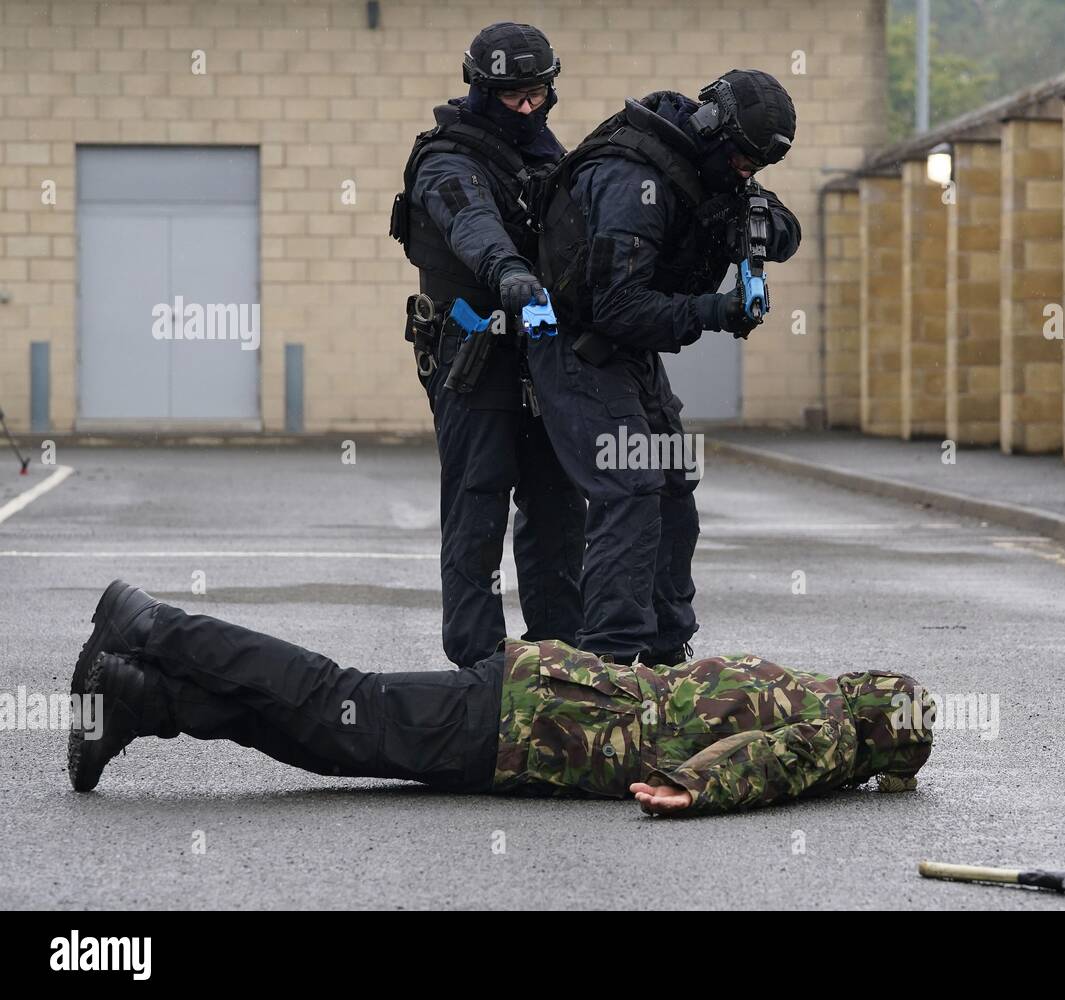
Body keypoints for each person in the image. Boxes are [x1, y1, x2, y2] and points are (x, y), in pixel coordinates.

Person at [68, 582, 934, 816]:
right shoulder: (833, 733)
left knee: (332, 736)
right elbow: (778, 762)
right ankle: (149, 624)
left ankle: (139, 699)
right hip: (536, 727)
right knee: (338, 705)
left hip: (547, 699)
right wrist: (706, 788)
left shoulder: (803, 685)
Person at [527, 69, 803, 667]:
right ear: (713, 130)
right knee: (630, 486)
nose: (746, 174)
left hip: (629, 355)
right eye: (741, 161)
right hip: (579, 347)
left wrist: (756, 229)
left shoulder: (717, 164)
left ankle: (665, 653)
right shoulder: (635, 181)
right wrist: (717, 310)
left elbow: (786, 230)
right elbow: (617, 306)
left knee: (674, 483)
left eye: (757, 167)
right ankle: (611, 667)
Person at [390, 21, 584, 669]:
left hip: (543, 354)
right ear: (478, 88)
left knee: (555, 501)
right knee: (478, 498)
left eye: (537, 95)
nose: (527, 109)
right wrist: (508, 273)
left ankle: (562, 654)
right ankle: (477, 658)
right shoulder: (447, 158)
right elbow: (470, 223)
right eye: (512, 97)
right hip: (472, 354)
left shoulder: (550, 159)